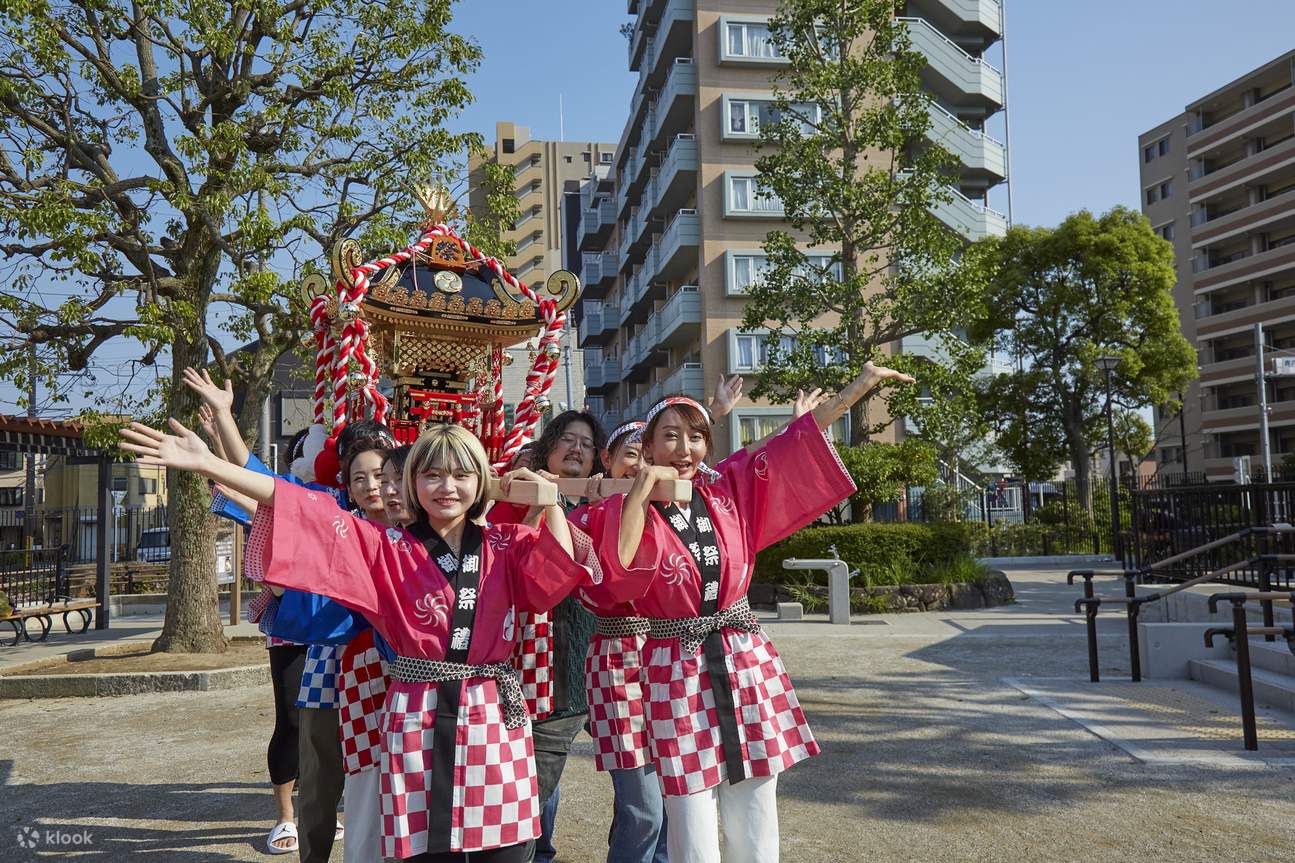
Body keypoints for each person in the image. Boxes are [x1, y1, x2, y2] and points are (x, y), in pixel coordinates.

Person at [119, 419, 636, 862]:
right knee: (420, 848)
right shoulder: (382, 546)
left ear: (481, 482)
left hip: (492, 717)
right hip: (416, 716)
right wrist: (212, 464)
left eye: (461, 474)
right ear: (411, 483)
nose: (446, 487)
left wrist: (547, 505)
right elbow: (303, 507)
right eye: (431, 474)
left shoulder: (508, 544)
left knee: (504, 848)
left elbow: (555, 581)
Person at [604, 361, 914, 863]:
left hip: (741, 654)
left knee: (757, 805)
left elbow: (793, 444)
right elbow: (617, 569)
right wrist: (641, 488)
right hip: (674, 666)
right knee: (690, 817)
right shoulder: (619, 504)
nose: (684, 449)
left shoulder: (727, 487)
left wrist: (860, 387)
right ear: (649, 444)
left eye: (696, 437)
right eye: (670, 437)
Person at [491, 410, 606, 863]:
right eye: (566, 439)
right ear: (548, 446)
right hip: (519, 660)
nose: (576, 448)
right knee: (530, 774)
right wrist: (535, 500)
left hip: (584, 655)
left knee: (548, 771)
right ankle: (536, 851)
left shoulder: (601, 504)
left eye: (586, 443)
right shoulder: (515, 495)